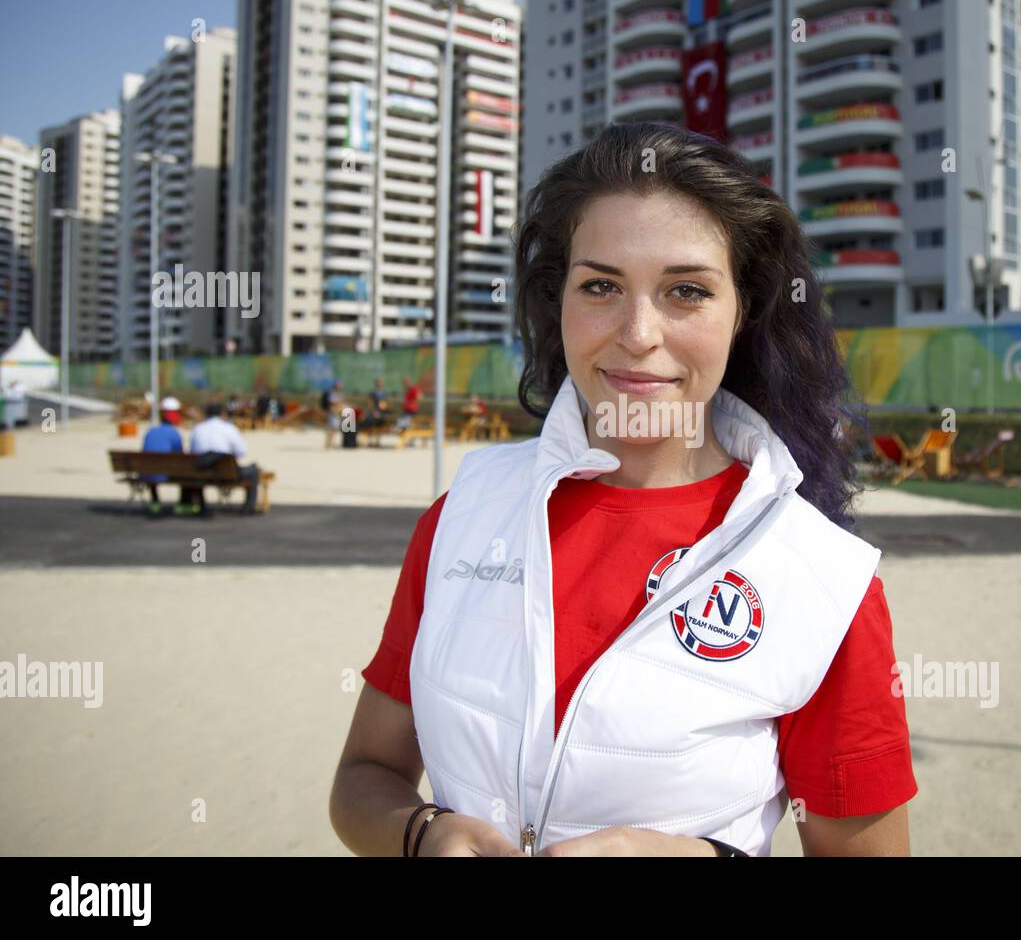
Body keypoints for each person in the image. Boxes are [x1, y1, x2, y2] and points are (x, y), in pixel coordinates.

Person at [330, 122, 915, 858]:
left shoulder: (824, 581)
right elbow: (363, 775)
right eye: (601, 285)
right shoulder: (464, 514)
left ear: (744, 312)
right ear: (559, 302)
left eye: (687, 291)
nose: (638, 333)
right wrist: (422, 834)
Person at [191, 401, 261, 515]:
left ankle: (202, 506)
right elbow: (242, 451)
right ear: (222, 414)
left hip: (202, 473)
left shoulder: (198, 428)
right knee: (254, 471)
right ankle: (248, 508)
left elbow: (193, 451)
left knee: (202, 465)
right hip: (228, 473)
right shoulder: (228, 428)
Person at [139, 396, 186, 516]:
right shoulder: (174, 433)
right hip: (167, 472)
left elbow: (144, 451)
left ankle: (155, 502)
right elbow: (179, 455)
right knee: (187, 471)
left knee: (152, 466)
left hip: (147, 471)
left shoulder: (150, 431)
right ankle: (183, 503)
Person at [322, 380, 344, 449]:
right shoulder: (332, 393)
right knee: (331, 428)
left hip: (336, 413)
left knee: (334, 428)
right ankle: (328, 443)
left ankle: (331, 443)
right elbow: (333, 403)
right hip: (332, 412)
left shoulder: (338, 393)